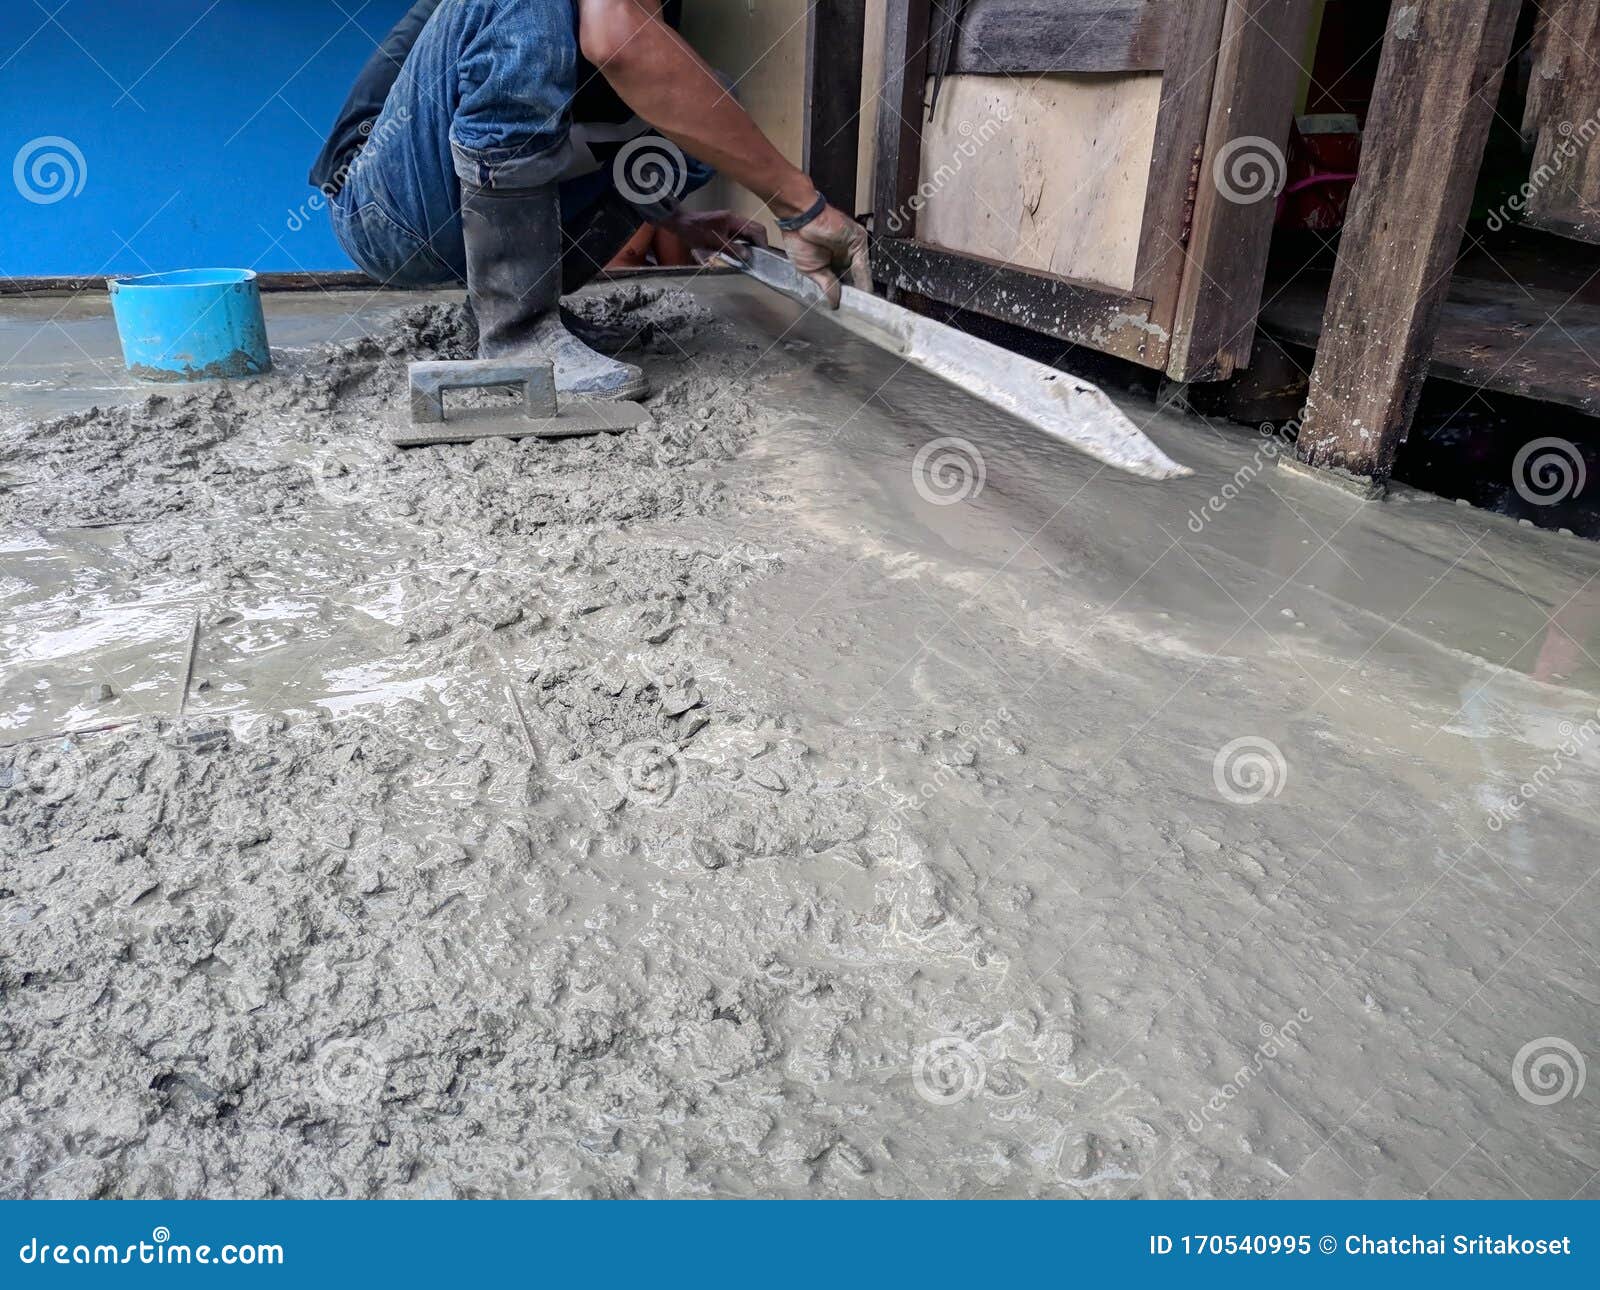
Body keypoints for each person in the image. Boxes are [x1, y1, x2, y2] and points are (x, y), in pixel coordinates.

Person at [311, 0, 872, 399]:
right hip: (382, 205)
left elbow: (622, 99)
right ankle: (519, 332)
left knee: (707, 100)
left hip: (448, 211)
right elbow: (613, 39)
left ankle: (508, 307)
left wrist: (676, 219)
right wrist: (804, 207)